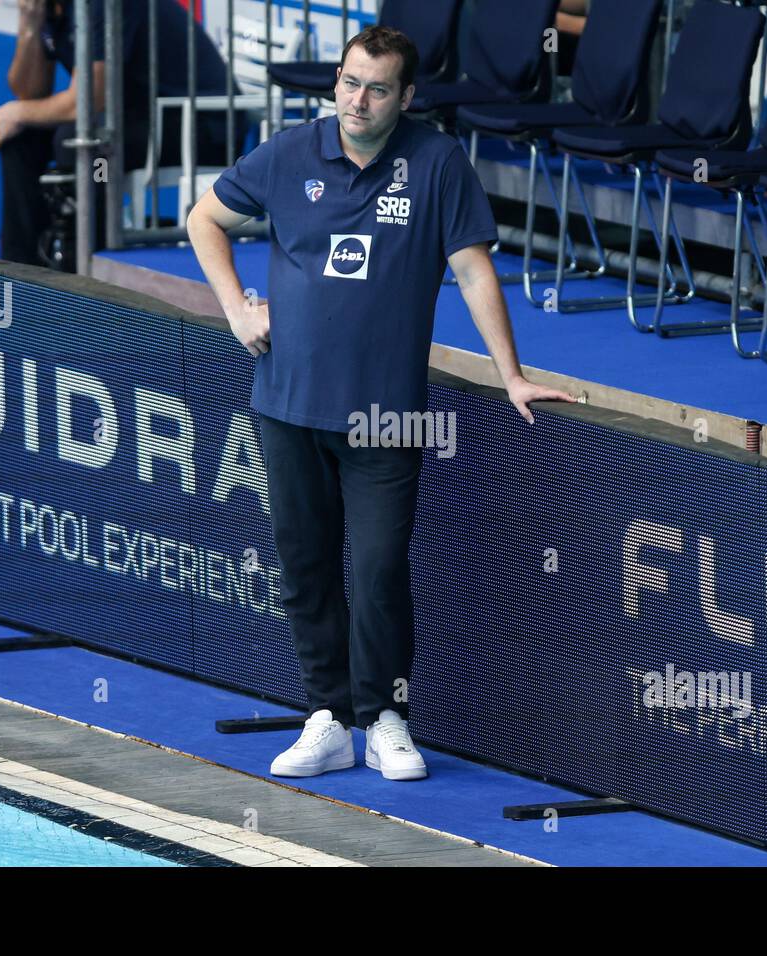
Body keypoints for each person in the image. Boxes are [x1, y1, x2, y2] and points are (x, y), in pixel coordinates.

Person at [186, 25, 575, 782]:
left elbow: (472, 273)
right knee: (305, 567)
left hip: (385, 414)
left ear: (407, 97)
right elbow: (205, 219)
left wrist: (512, 375)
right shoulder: (291, 152)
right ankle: (328, 717)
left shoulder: (436, 164)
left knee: (379, 570)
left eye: (376, 88)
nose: (357, 101)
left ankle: (387, 717)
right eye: (348, 82)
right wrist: (235, 307)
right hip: (286, 404)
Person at [0, 0, 239, 267]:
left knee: (81, 141)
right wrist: (29, 26)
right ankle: (21, 268)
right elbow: (30, 93)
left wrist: (17, 112)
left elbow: (88, 100)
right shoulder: (50, 7)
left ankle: (89, 262)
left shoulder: (101, 5)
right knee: (21, 135)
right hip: (138, 114)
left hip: (203, 123)